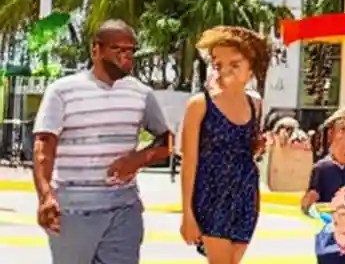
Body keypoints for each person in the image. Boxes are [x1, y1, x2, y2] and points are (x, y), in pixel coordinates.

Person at [32, 20, 172, 264]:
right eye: (119, 49)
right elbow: (44, 146)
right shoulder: (62, 91)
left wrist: (138, 159)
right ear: (95, 50)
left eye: (131, 50)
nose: (127, 56)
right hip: (74, 210)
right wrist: (45, 196)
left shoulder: (141, 93)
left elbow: (167, 141)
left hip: (124, 210)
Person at [179, 26, 270, 264]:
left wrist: (260, 145)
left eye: (235, 64)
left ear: (251, 68)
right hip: (211, 195)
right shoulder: (199, 105)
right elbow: (189, 161)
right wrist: (187, 213)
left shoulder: (256, 104)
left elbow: (248, 148)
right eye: (218, 65)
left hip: (246, 194)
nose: (224, 72)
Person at [300, 107, 345, 264]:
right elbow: (307, 206)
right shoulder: (322, 168)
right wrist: (329, 211)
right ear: (331, 135)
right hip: (328, 244)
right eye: (343, 130)